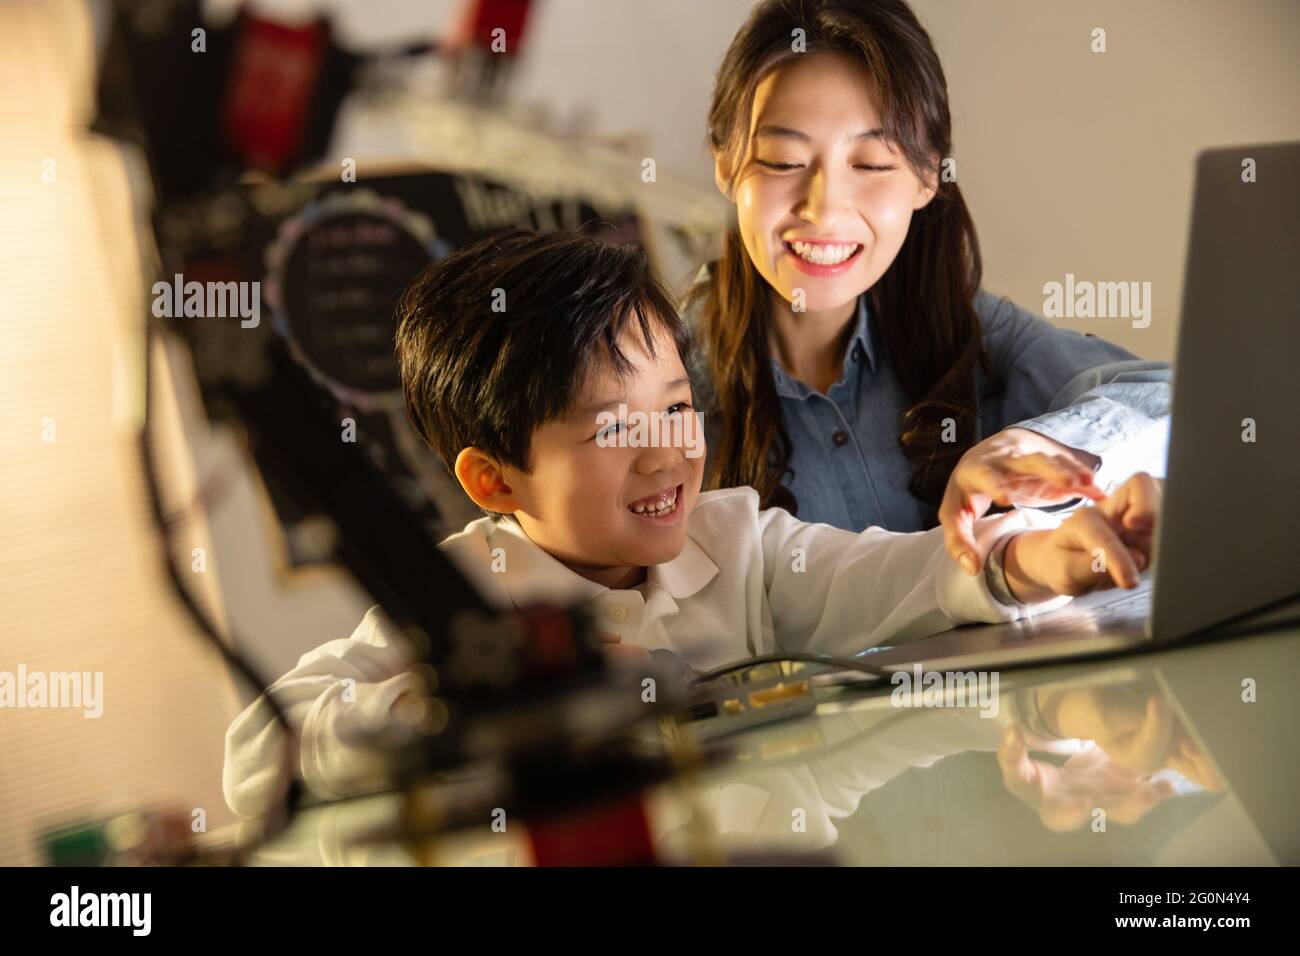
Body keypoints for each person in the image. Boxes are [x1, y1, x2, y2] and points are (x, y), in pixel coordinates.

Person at [222, 230, 1161, 817]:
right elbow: (261, 757)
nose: (669, 453)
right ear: (495, 480)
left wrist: (1038, 559)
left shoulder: (738, 542)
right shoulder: (457, 605)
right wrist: (436, 713)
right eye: (612, 428)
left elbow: (908, 577)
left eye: (678, 408)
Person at [686, 0, 1170, 574]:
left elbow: (1169, 401)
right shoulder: (666, 386)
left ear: (926, 178)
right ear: (724, 162)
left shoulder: (973, 334)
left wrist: (1045, 444)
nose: (824, 209)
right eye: (784, 160)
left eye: (870, 164)